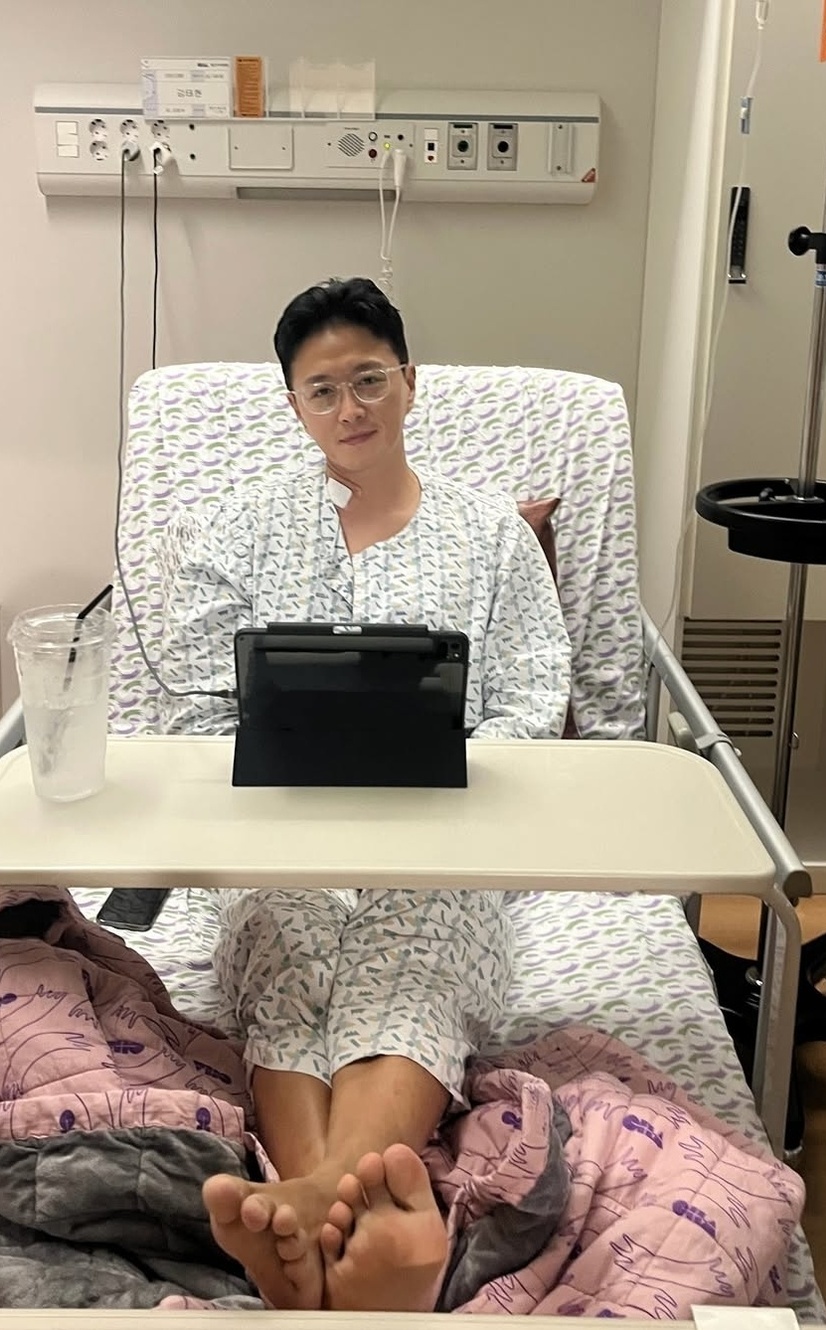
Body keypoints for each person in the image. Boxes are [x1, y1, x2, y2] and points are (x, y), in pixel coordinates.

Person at [160, 277, 572, 1311]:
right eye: (323, 390)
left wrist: (442, 772)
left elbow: (534, 704)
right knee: (283, 941)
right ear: (293, 406)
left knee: (419, 943)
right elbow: (192, 710)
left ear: (409, 383)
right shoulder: (236, 534)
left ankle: (303, 1219)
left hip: (443, 836)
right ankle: (356, 1232)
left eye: (369, 380)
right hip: (278, 833)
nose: (351, 408)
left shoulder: (490, 535)